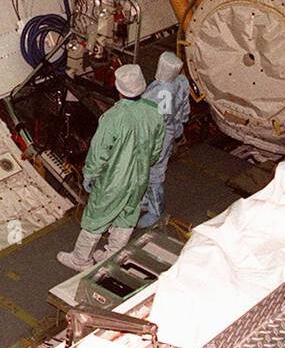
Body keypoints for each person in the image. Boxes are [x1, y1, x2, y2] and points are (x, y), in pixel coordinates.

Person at [57, 63, 165, 272]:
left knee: (96, 217)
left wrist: (90, 174)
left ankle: (81, 259)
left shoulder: (113, 117)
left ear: (119, 88)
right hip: (139, 178)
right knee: (127, 215)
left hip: (114, 181)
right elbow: (156, 150)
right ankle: (112, 256)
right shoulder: (154, 112)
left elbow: (99, 152)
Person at [138, 51, 191, 228]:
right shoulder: (181, 82)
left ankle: (155, 211)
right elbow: (184, 109)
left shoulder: (164, 92)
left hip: (158, 139)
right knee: (147, 171)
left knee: (154, 174)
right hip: (165, 134)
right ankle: (146, 199)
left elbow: (161, 120)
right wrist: (179, 125)